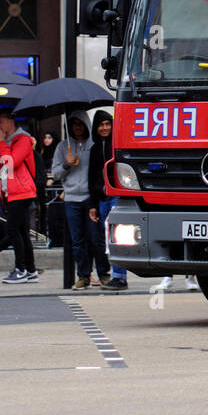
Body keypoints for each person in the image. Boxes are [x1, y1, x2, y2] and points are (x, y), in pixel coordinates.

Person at [52, 112, 110, 290]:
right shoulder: (63, 147)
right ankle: (83, 275)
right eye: (73, 124)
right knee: (77, 241)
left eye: (80, 123)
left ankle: (103, 273)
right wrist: (66, 164)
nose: (77, 127)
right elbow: (55, 174)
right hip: (71, 199)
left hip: (90, 197)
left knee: (96, 238)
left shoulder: (93, 145)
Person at [0, 112, 39, 282]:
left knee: (12, 230)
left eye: (0, 121)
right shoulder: (8, 143)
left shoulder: (22, 139)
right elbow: (3, 167)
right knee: (21, 231)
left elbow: (12, 162)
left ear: (10, 121)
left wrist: (1, 142)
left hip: (22, 191)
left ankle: (20, 269)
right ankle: (30, 270)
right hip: (13, 191)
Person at [89, 111, 127, 291]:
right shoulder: (95, 149)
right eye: (101, 125)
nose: (104, 128)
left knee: (116, 236)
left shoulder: (116, 145)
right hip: (103, 198)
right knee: (107, 238)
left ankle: (120, 276)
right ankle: (116, 275)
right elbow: (92, 178)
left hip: (116, 196)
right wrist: (93, 205)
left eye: (107, 124)